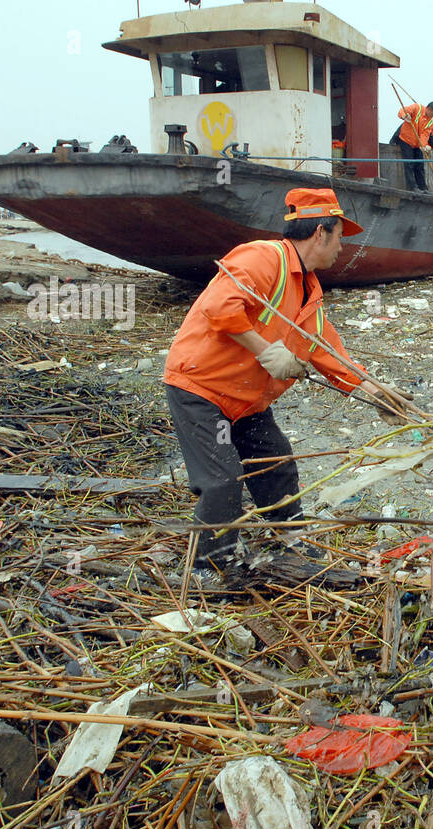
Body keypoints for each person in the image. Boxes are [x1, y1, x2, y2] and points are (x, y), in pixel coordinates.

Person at [164, 188, 405, 574]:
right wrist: (265, 350)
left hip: (247, 399)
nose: (342, 247)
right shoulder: (263, 257)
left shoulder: (308, 289)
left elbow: (326, 351)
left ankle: (291, 539)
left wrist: (375, 392)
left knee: (276, 462)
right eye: (340, 237)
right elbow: (218, 305)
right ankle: (209, 569)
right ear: (320, 233)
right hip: (201, 389)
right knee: (223, 480)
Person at [390, 101, 433, 192]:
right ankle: (412, 187)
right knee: (409, 164)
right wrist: (405, 116)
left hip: (417, 144)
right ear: (429, 109)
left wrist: (423, 145)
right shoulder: (417, 108)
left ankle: (423, 187)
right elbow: (402, 110)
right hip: (406, 140)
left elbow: (425, 134)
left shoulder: (430, 120)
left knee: (420, 165)